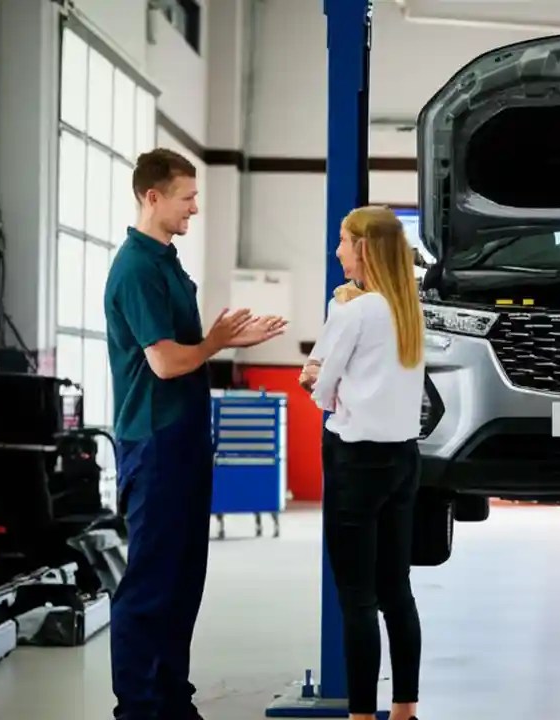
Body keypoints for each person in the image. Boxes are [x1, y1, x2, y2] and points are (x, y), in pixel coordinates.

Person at [104, 147, 287, 720]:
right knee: (152, 582)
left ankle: (170, 698)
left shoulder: (166, 262)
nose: (195, 208)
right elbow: (164, 363)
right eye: (186, 197)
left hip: (182, 437)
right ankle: (138, 707)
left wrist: (224, 340)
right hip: (153, 441)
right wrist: (217, 343)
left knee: (184, 579)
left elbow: (189, 351)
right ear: (151, 197)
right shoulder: (136, 268)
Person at [298, 205, 426, 720]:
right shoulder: (411, 309)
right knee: (396, 590)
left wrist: (314, 379)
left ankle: (358, 715)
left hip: (356, 462)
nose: (338, 251)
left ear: (364, 249)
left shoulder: (352, 312)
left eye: (344, 242)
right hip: (403, 460)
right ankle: (404, 709)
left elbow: (321, 388)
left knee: (355, 596)